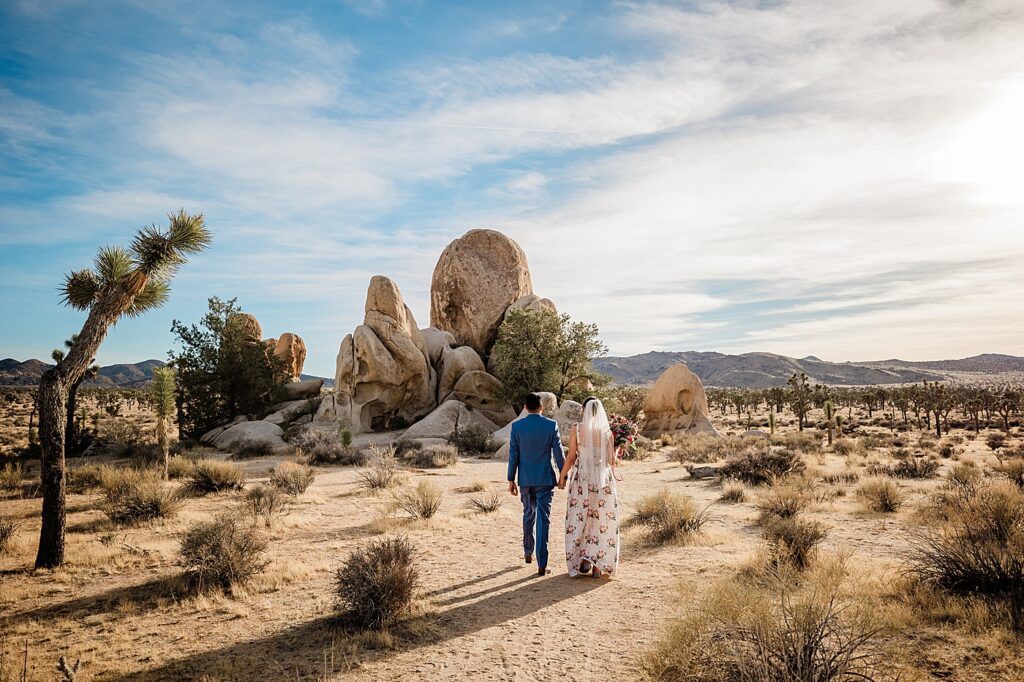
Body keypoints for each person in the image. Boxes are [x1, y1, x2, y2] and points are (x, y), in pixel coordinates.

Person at [558, 396, 620, 578]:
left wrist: (562, 476)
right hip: (602, 481)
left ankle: (583, 562)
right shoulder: (607, 433)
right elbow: (611, 461)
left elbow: (570, 457)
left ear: (584, 410)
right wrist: (617, 450)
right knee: (600, 520)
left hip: (582, 480)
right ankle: (598, 565)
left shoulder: (577, 429)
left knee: (581, 519)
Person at [507, 393, 565, 577]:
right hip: (545, 480)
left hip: (524, 480)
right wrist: (563, 475)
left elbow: (513, 454)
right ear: (542, 408)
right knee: (543, 520)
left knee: (528, 514)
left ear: (525, 407)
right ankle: (542, 564)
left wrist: (511, 479)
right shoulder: (551, 425)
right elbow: (558, 453)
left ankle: (527, 552)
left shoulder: (517, 426)